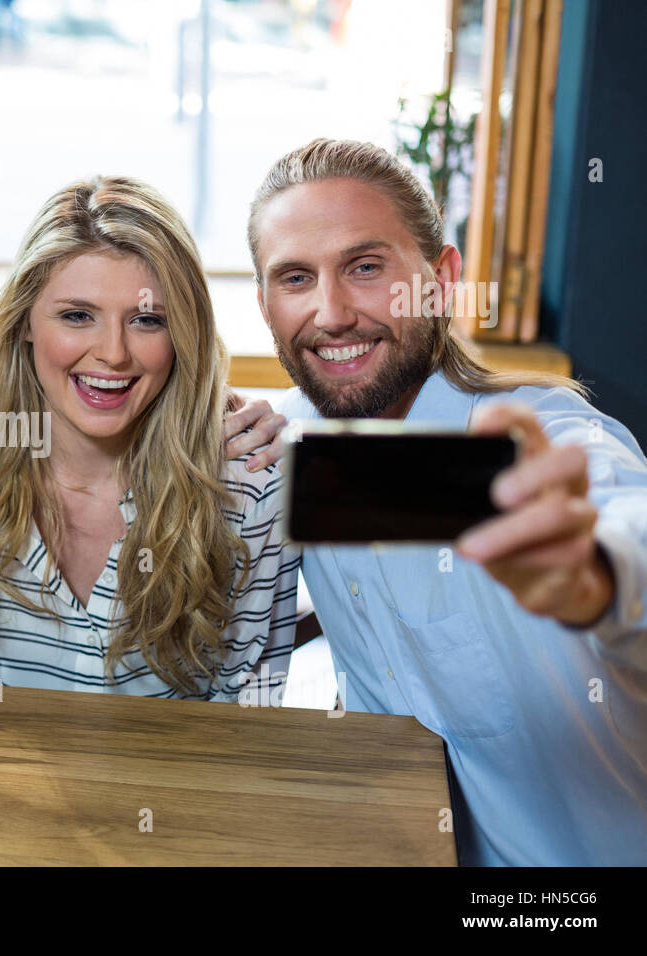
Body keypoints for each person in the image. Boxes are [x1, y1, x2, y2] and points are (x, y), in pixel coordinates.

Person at [249, 137, 647, 865]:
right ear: (265, 304)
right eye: (296, 278)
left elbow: (626, 521)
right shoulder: (292, 444)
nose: (331, 313)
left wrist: (598, 573)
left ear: (441, 279)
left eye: (365, 267)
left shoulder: (543, 440)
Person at [0, 176, 300, 700]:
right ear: (24, 323)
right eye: (77, 316)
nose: (113, 353)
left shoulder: (252, 491)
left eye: (147, 320)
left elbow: (252, 715)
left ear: (182, 334)